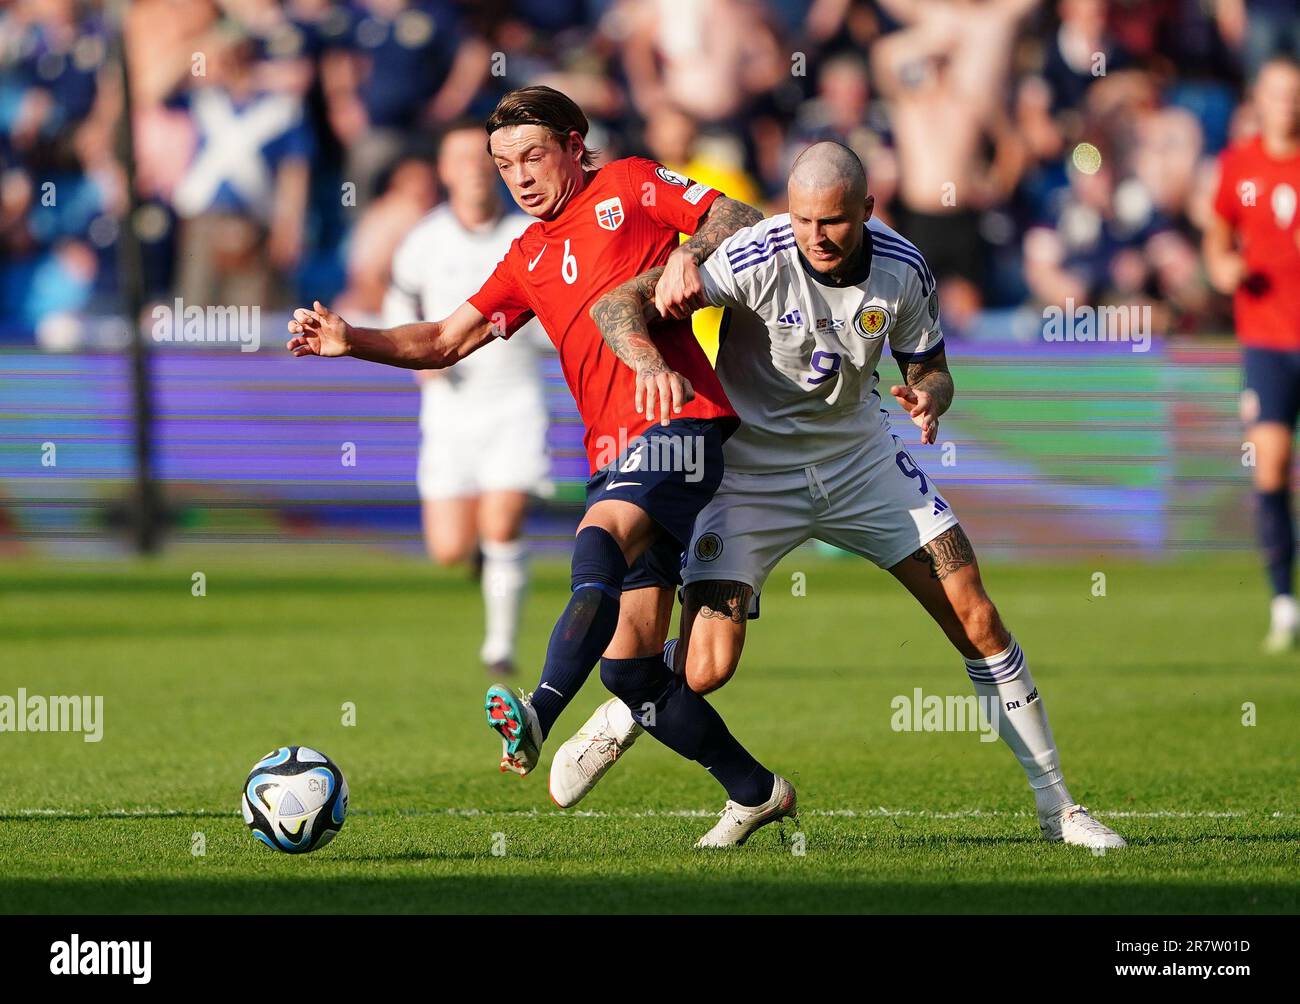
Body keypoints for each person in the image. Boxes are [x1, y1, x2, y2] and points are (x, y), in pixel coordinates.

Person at [555, 141, 1127, 852]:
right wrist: (654, 342)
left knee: (976, 614)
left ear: (867, 209)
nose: (815, 237)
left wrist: (929, 397)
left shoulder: (905, 267)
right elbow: (616, 307)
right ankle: (630, 706)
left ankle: (1059, 808)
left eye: (831, 221)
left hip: (861, 463)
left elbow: (933, 366)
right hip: (751, 475)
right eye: (801, 220)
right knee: (705, 669)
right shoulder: (753, 256)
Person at [287, 86, 795, 848]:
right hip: (613, 453)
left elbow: (738, 220)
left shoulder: (628, 183)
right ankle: (757, 791)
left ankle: (541, 709)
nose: (519, 176)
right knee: (632, 673)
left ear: (573, 144)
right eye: (503, 165)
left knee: (595, 538)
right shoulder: (526, 259)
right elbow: (443, 341)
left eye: (532, 156)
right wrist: (349, 338)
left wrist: (688, 256)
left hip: (681, 424)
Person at [381, 123, 549, 677]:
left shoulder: (529, 235)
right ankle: (480, 557)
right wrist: (419, 369)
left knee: (504, 523)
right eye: (462, 160)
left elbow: (558, 311)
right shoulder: (423, 242)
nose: (475, 170)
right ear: (444, 171)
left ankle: (499, 647)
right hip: (450, 411)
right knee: (448, 548)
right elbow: (397, 309)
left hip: (514, 399)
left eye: (485, 161)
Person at [1204, 55, 1300, 652]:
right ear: (1259, 100)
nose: (1287, 103)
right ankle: (1283, 603)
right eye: (1277, 93)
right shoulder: (1238, 165)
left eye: (1295, 93)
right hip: (1266, 340)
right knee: (1270, 467)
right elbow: (1217, 241)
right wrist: (1224, 267)